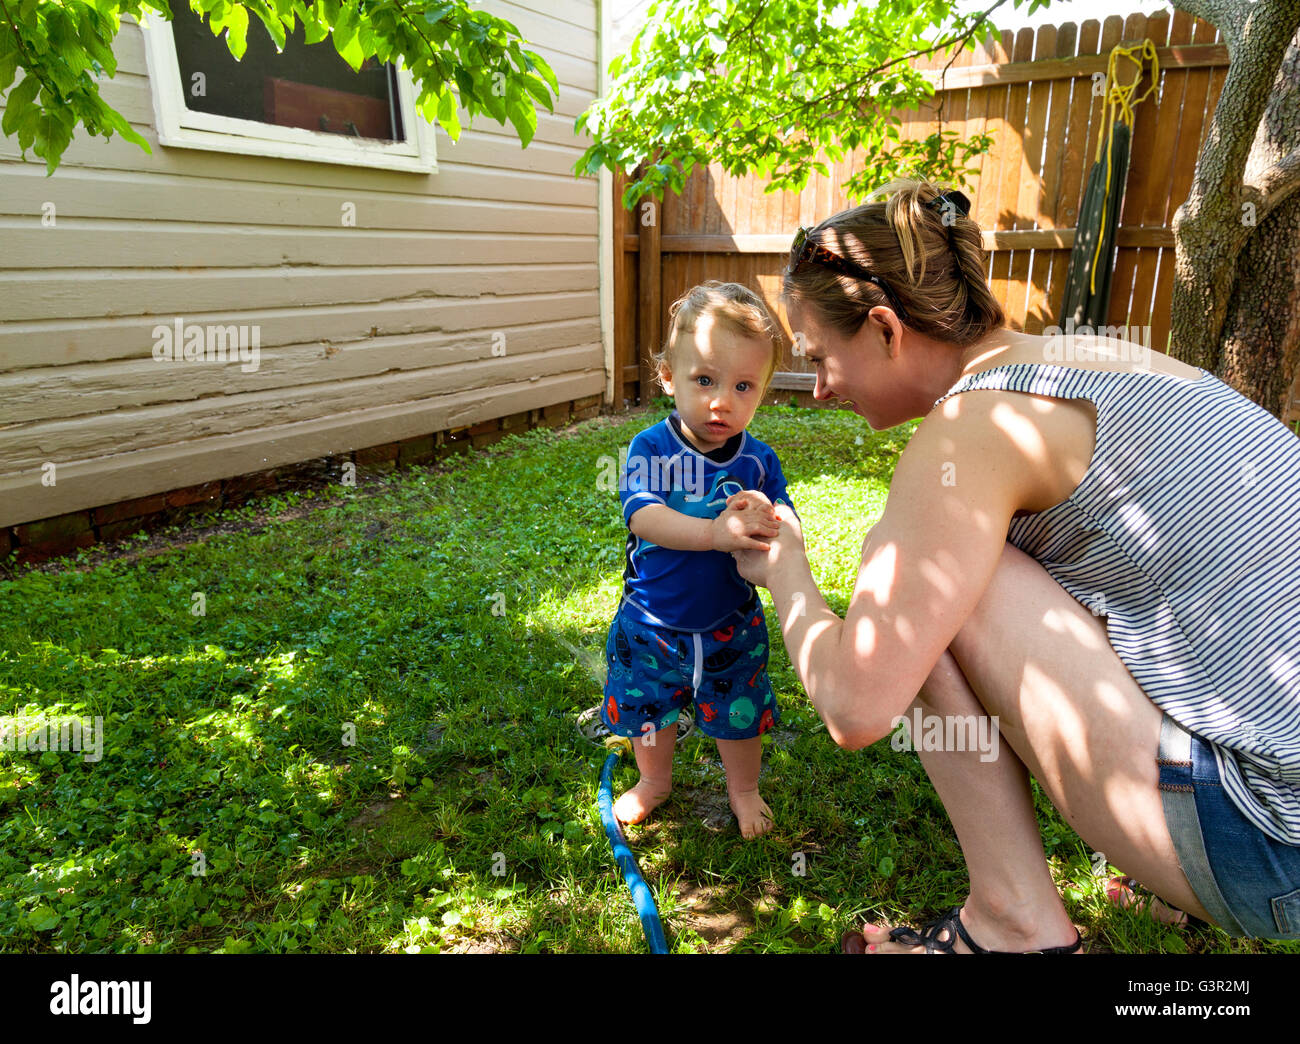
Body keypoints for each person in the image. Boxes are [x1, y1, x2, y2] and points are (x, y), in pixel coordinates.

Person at [731, 179, 1300, 951]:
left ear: (885, 329)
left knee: (920, 569)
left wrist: (787, 573)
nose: (821, 388)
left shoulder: (976, 424)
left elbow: (856, 707)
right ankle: (1158, 891)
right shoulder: (1085, 356)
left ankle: (1012, 921)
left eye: (821, 358)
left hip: (1273, 844)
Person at [600, 281, 794, 839]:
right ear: (667, 377)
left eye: (742, 386)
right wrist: (715, 532)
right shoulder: (652, 449)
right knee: (651, 710)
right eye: (704, 380)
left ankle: (744, 789)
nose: (721, 401)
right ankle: (654, 782)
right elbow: (644, 517)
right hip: (652, 621)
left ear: (762, 392)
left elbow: (781, 512)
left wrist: (778, 523)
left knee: (739, 712)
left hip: (730, 621)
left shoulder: (759, 460)